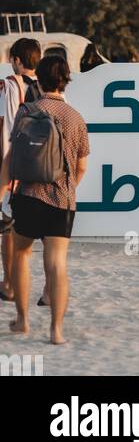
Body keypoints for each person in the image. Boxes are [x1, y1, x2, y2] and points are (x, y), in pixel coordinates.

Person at [0, 54, 90, 345]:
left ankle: (23, 321)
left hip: (27, 195)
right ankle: (56, 330)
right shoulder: (75, 117)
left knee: (20, 254)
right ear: (66, 80)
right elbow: (81, 166)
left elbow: (11, 158)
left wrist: (1, 190)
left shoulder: (27, 110)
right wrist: (68, 189)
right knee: (57, 264)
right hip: (61, 199)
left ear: (38, 78)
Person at [0, 38, 42, 302]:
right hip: (43, 165)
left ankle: (10, 284)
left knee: (8, 228)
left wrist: (5, 173)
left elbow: (7, 130)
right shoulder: (47, 85)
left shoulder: (11, 85)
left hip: (16, 164)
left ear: (17, 60)